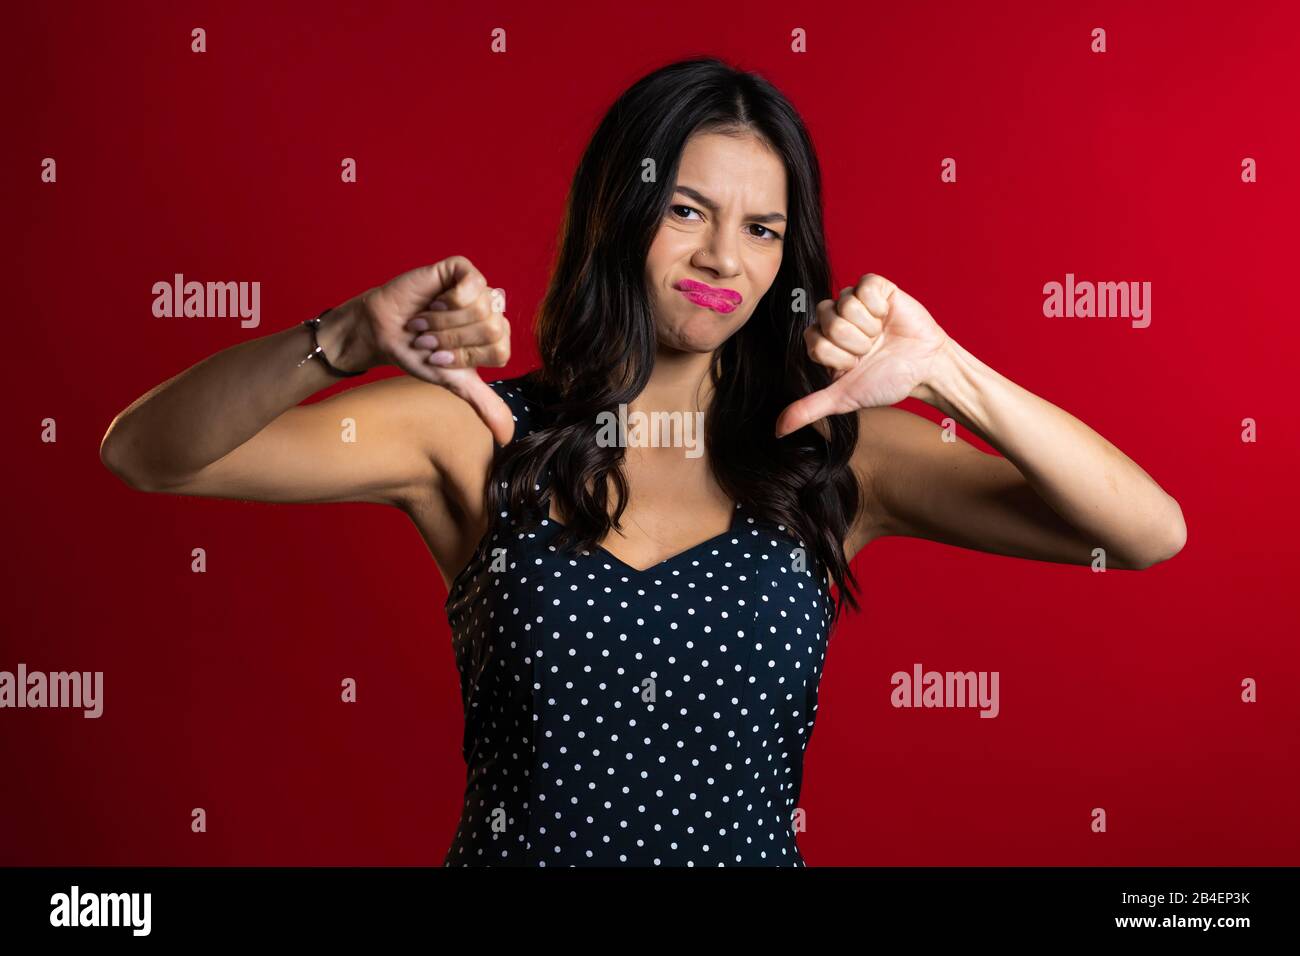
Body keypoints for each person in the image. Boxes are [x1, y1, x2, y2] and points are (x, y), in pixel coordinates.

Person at [99, 56, 1186, 866]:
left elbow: (1145, 533)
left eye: (763, 229)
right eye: (687, 210)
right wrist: (340, 338)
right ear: (621, 212)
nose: (723, 257)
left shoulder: (831, 456)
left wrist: (951, 374)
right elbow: (146, 455)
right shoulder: (475, 429)